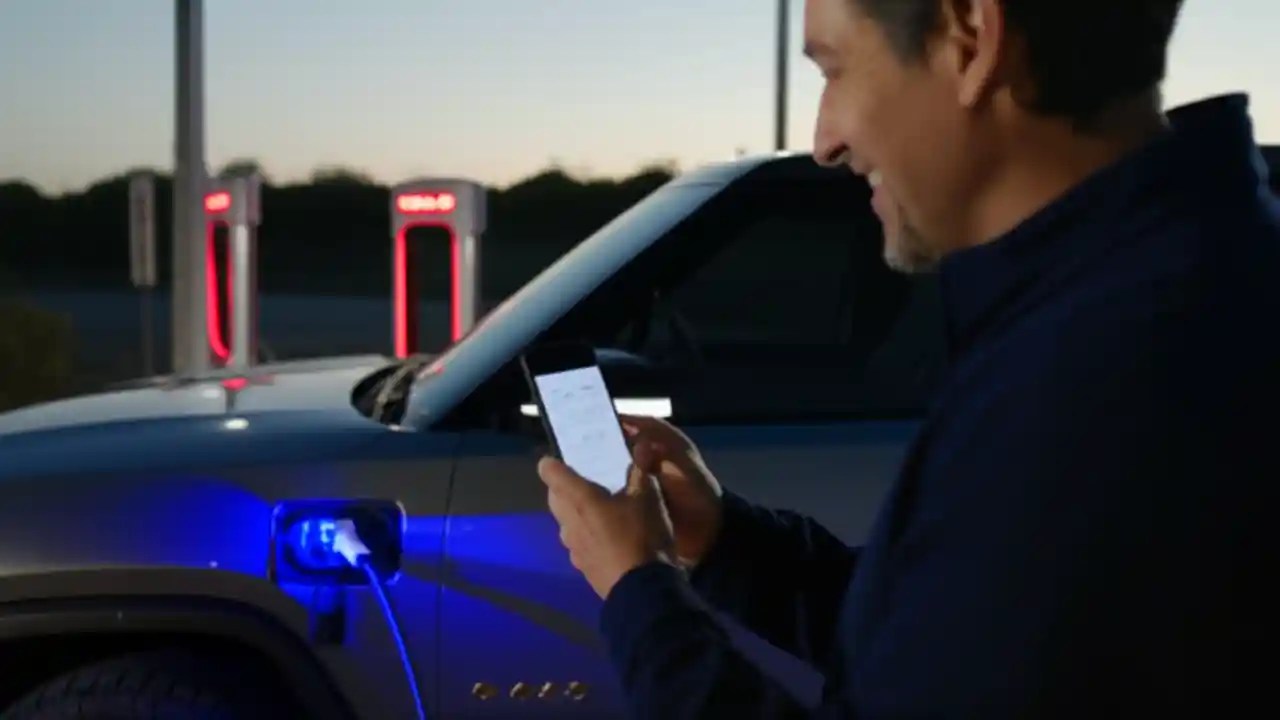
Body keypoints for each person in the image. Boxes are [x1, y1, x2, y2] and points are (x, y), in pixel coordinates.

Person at [538, 0, 1280, 717]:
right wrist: (729, 544)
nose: (826, 140)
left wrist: (639, 590)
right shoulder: (1151, 300)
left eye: (834, 69)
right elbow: (955, 648)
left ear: (971, 38)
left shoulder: (1100, 382)